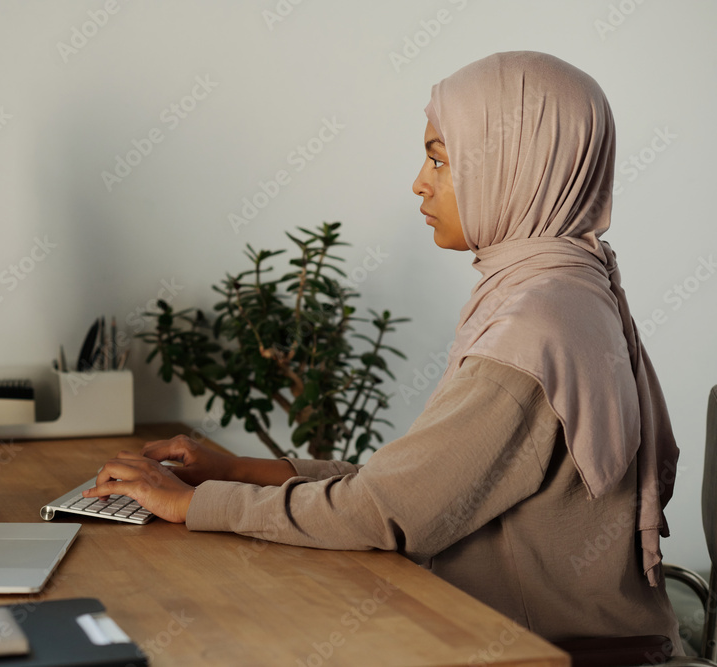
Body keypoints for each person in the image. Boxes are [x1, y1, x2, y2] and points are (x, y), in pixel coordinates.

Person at [84, 51, 682, 646]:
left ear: (514, 166)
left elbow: (384, 511)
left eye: (439, 159)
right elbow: (407, 486)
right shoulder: (563, 289)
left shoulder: (536, 329)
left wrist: (195, 506)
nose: (419, 182)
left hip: (541, 653)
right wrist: (237, 470)